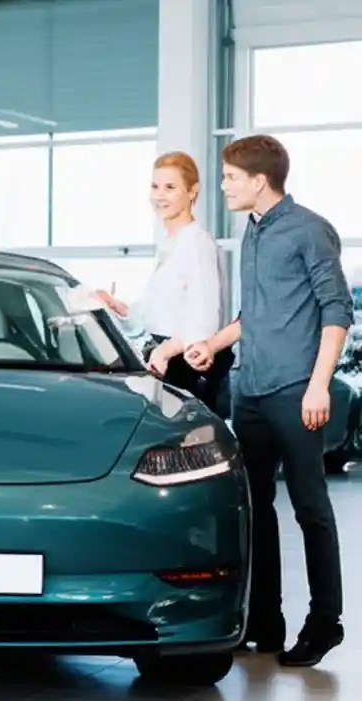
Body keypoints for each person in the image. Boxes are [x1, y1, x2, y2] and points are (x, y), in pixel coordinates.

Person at [184, 134, 350, 667]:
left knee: (310, 509)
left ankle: (325, 623)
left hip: (296, 392)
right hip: (249, 391)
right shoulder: (251, 232)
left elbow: (336, 310)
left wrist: (320, 385)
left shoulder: (309, 230)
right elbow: (254, 314)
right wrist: (212, 343)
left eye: (231, 177)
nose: (225, 185)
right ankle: (265, 621)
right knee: (256, 510)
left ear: (259, 180)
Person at [92, 151, 230, 413]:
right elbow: (158, 313)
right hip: (166, 357)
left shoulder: (197, 244)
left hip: (184, 365)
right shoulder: (171, 243)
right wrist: (120, 308)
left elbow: (204, 323)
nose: (159, 195)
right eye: (155, 187)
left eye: (170, 187)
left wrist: (165, 352)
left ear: (192, 191)